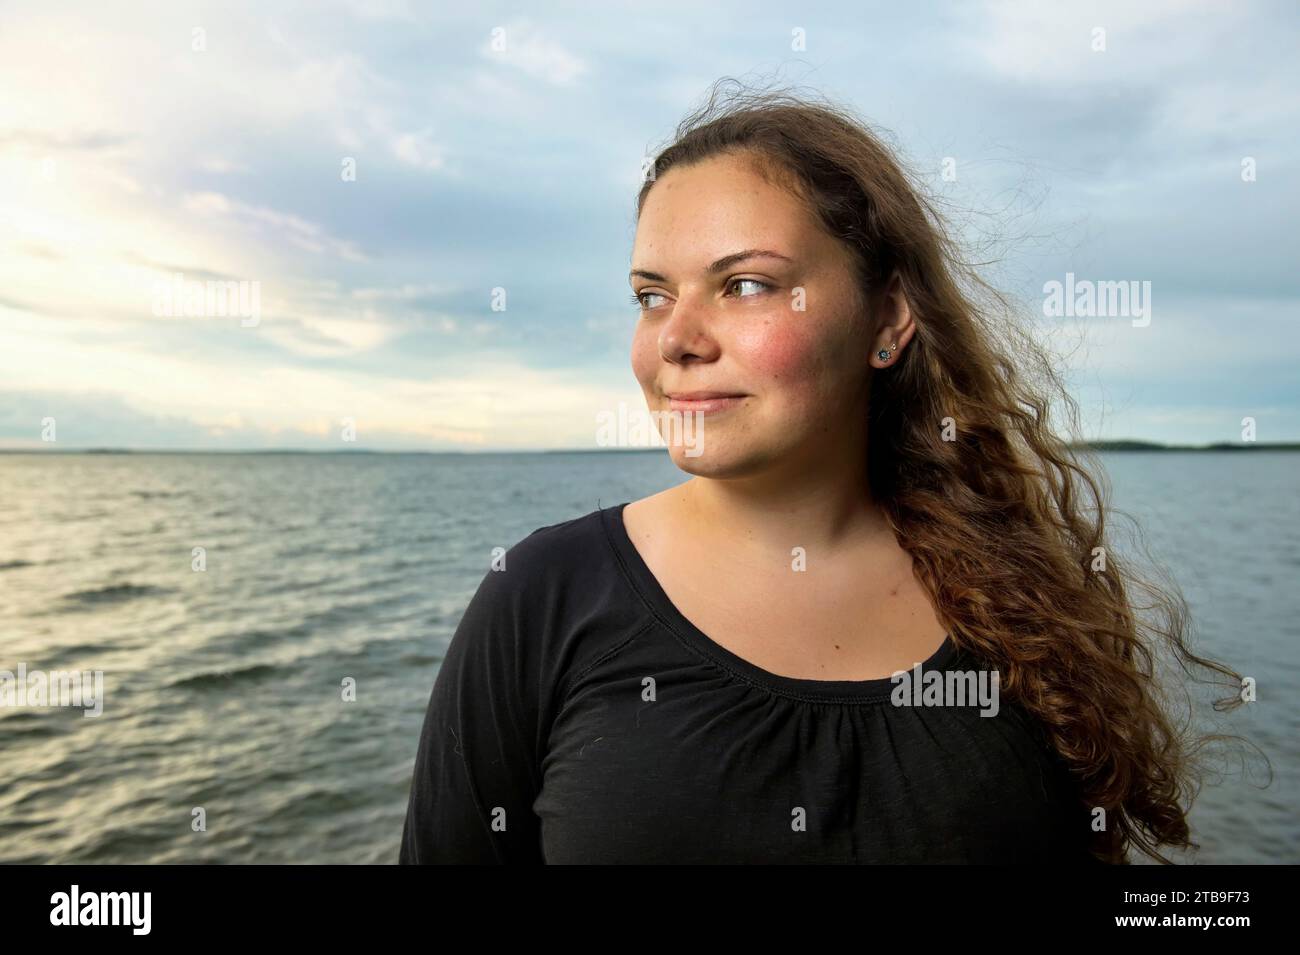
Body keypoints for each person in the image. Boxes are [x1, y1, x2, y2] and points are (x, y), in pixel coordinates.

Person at [399, 79, 1248, 864]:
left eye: (745, 285)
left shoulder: (1019, 601)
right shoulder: (543, 598)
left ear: (887, 317)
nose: (676, 339)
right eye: (651, 295)